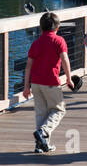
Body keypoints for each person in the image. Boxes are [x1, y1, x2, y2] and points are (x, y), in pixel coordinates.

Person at [22, 12, 73, 153]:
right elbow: (64, 60)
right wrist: (68, 78)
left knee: (41, 113)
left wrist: (26, 87)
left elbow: (28, 66)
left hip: (36, 83)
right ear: (57, 27)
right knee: (58, 110)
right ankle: (43, 132)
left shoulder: (36, 43)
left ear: (41, 27)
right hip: (51, 82)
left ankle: (40, 145)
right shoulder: (59, 41)